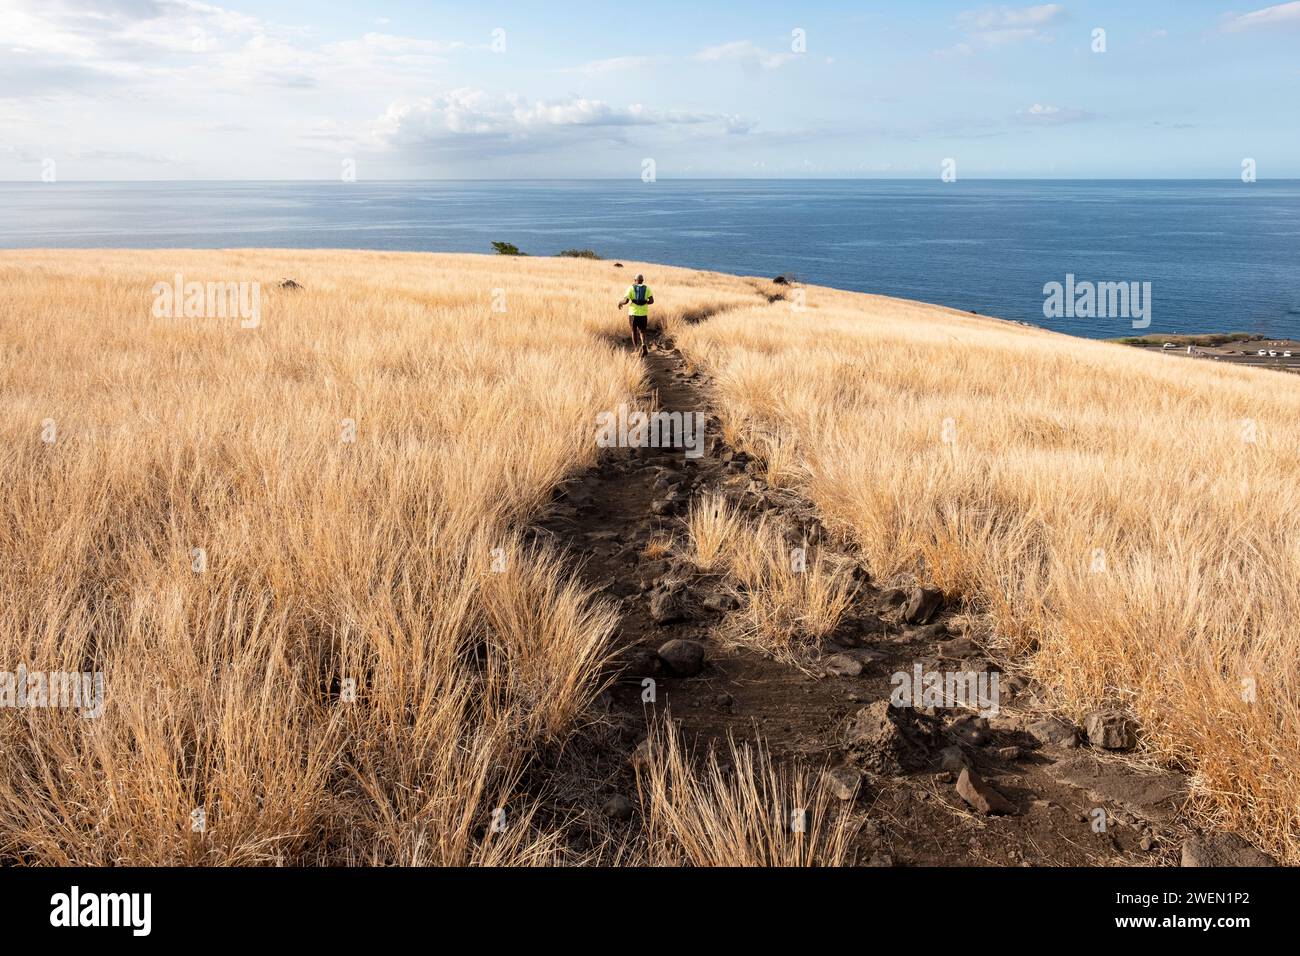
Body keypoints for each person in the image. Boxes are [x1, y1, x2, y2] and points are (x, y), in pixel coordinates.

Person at [617, 273, 654, 355]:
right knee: (642, 331)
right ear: (642, 281)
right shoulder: (647, 288)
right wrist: (644, 302)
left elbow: (626, 301)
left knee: (634, 331)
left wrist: (620, 302)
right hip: (643, 314)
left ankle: (636, 349)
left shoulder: (631, 288)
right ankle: (644, 344)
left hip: (633, 314)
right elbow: (651, 301)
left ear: (635, 280)